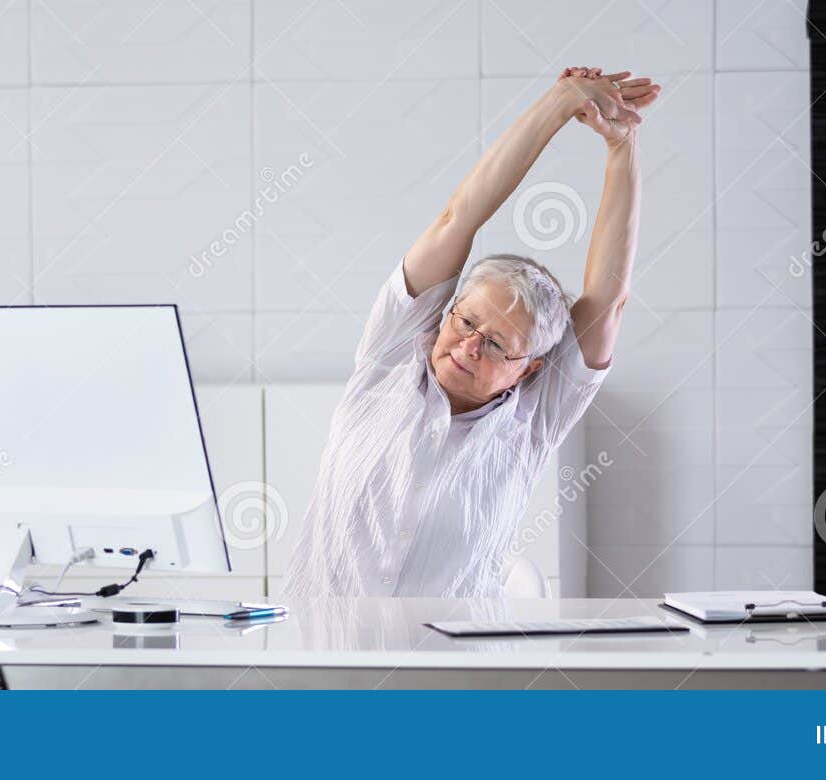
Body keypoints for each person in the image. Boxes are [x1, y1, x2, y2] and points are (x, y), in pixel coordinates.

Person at [281, 66, 657, 598]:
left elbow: (607, 303)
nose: (470, 344)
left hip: (453, 673)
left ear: (529, 369)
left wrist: (622, 146)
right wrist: (560, 101)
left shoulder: (533, 416)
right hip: (321, 664)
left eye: (498, 344)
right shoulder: (392, 356)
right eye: (466, 321)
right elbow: (457, 218)